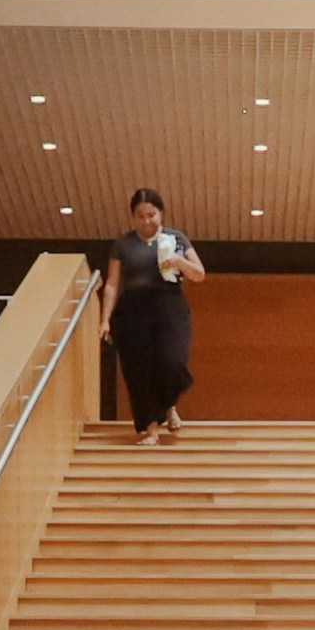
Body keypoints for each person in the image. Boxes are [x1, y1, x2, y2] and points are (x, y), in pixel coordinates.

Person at [101, 188, 205, 442]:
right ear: (133, 217)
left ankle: (169, 404)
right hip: (133, 310)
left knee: (172, 362)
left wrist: (176, 260)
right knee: (139, 370)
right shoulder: (123, 245)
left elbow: (199, 274)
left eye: (152, 214)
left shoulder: (176, 238)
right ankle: (151, 430)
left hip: (169, 306)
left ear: (162, 213)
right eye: (141, 216)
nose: (147, 221)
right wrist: (104, 319)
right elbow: (113, 284)